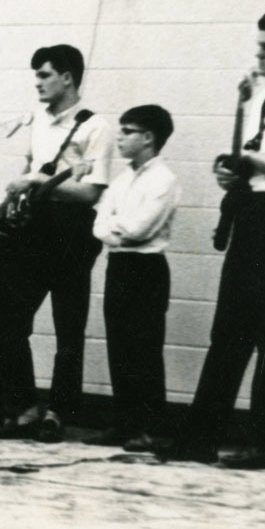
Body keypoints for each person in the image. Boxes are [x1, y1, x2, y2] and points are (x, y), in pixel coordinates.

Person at [159, 10, 265, 470]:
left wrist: (253, 161)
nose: (258, 55)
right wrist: (232, 167)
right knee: (229, 330)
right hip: (254, 213)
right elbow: (253, 158)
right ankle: (199, 436)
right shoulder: (262, 96)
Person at [0, 44, 113, 443]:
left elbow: (92, 192)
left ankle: (58, 412)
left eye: (44, 75)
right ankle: (24, 408)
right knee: (10, 319)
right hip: (36, 227)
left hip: (73, 230)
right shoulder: (39, 121)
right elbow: (30, 167)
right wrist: (13, 197)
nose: (38, 83)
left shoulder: (97, 128)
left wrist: (42, 183)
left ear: (67, 78)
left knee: (68, 328)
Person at [86, 105, 178, 452]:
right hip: (119, 266)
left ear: (149, 138)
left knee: (145, 349)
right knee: (119, 346)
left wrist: (117, 228)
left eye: (127, 131)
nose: (120, 137)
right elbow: (98, 227)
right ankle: (124, 424)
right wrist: (117, 232)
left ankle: (151, 428)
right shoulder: (121, 180)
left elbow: (140, 230)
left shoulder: (164, 180)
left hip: (147, 269)